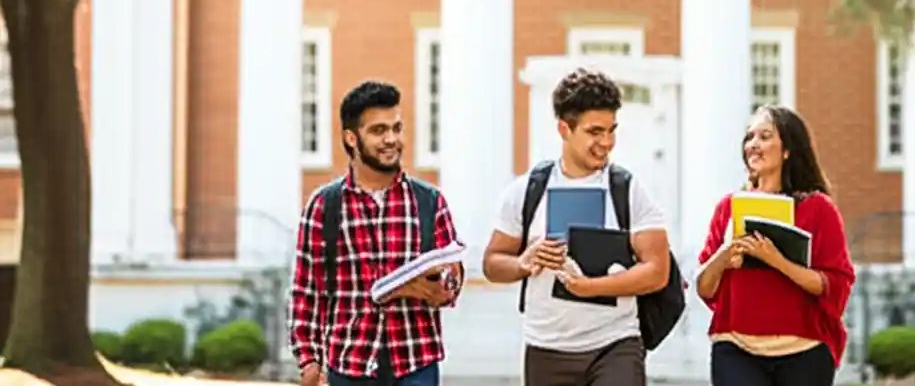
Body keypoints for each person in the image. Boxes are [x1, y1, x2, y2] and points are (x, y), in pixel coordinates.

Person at [482, 67, 670, 386]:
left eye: (612, 130)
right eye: (595, 132)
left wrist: (591, 288)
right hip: (546, 347)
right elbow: (492, 264)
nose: (606, 142)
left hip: (615, 344)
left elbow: (657, 271)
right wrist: (524, 262)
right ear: (564, 129)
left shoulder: (628, 189)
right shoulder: (527, 190)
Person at [289, 80, 464, 386]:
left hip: (415, 364)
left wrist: (443, 286)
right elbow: (307, 291)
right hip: (350, 364)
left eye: (397, 128)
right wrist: (309, 360)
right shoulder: (324, 206)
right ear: (351, 138)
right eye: (379, 130)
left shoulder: (429, 201)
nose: (391, 139)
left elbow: (452, 276)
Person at [695, 105, 856, 385]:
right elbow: (704, 287)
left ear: (787, 150)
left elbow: (834, 283)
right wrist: (724, 255)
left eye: (765, 136)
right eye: (749, 137)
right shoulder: (728, 207)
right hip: (736, 347)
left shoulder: (818, 209)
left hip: (803, 351)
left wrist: (775, 259)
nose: (753, 145)